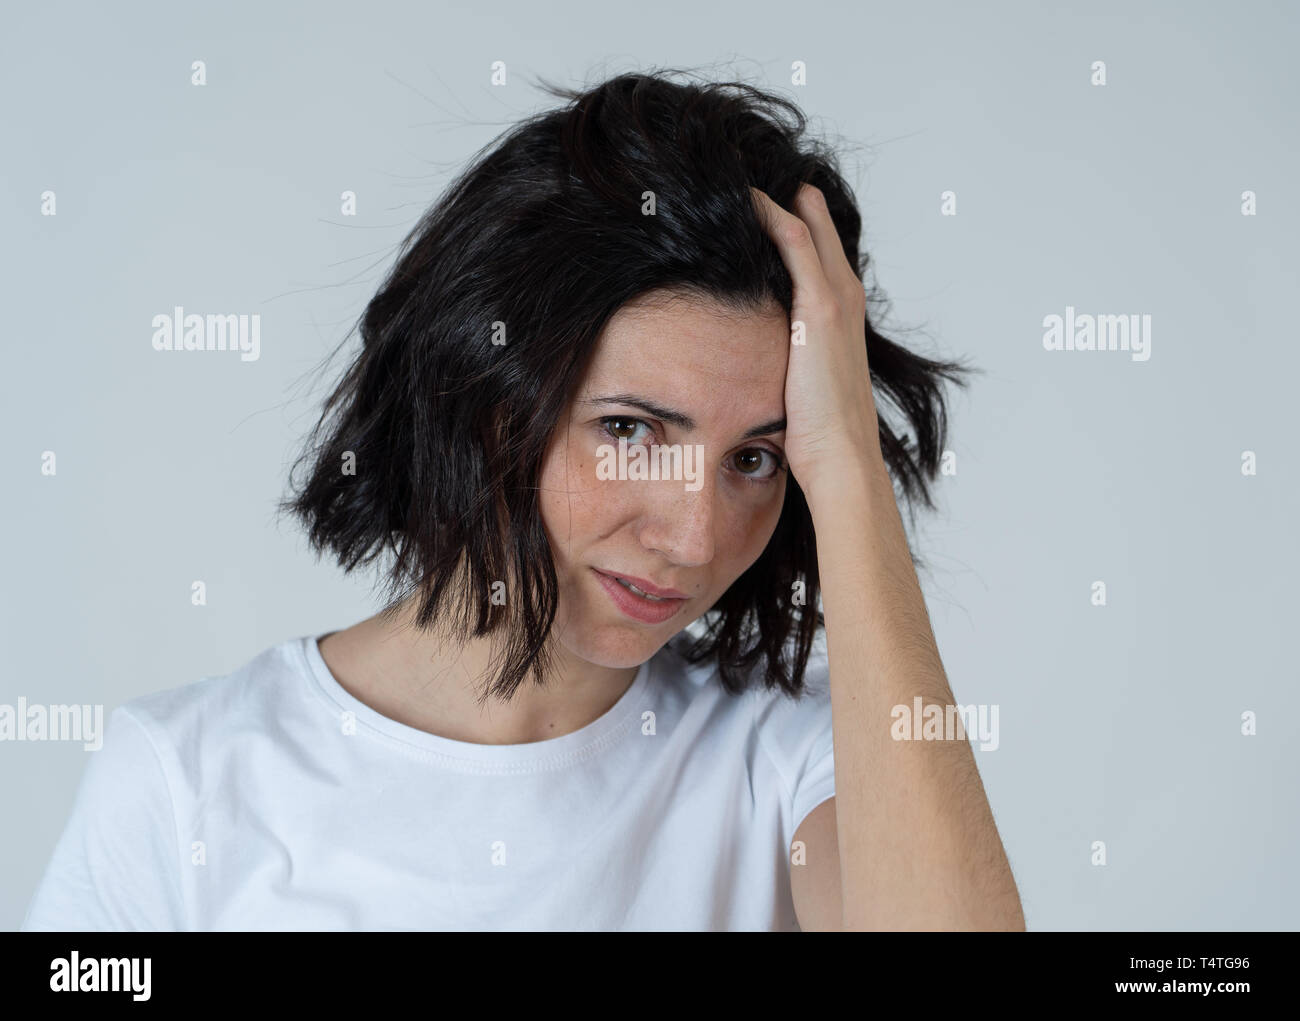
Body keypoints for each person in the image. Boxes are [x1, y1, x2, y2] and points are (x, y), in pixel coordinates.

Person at [22, 69, 1024, 931]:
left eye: (756, 458)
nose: (695, 534)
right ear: (485, 401)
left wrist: (847, 460)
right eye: (631, 431)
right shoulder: (183, 779)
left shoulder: (791, 759)